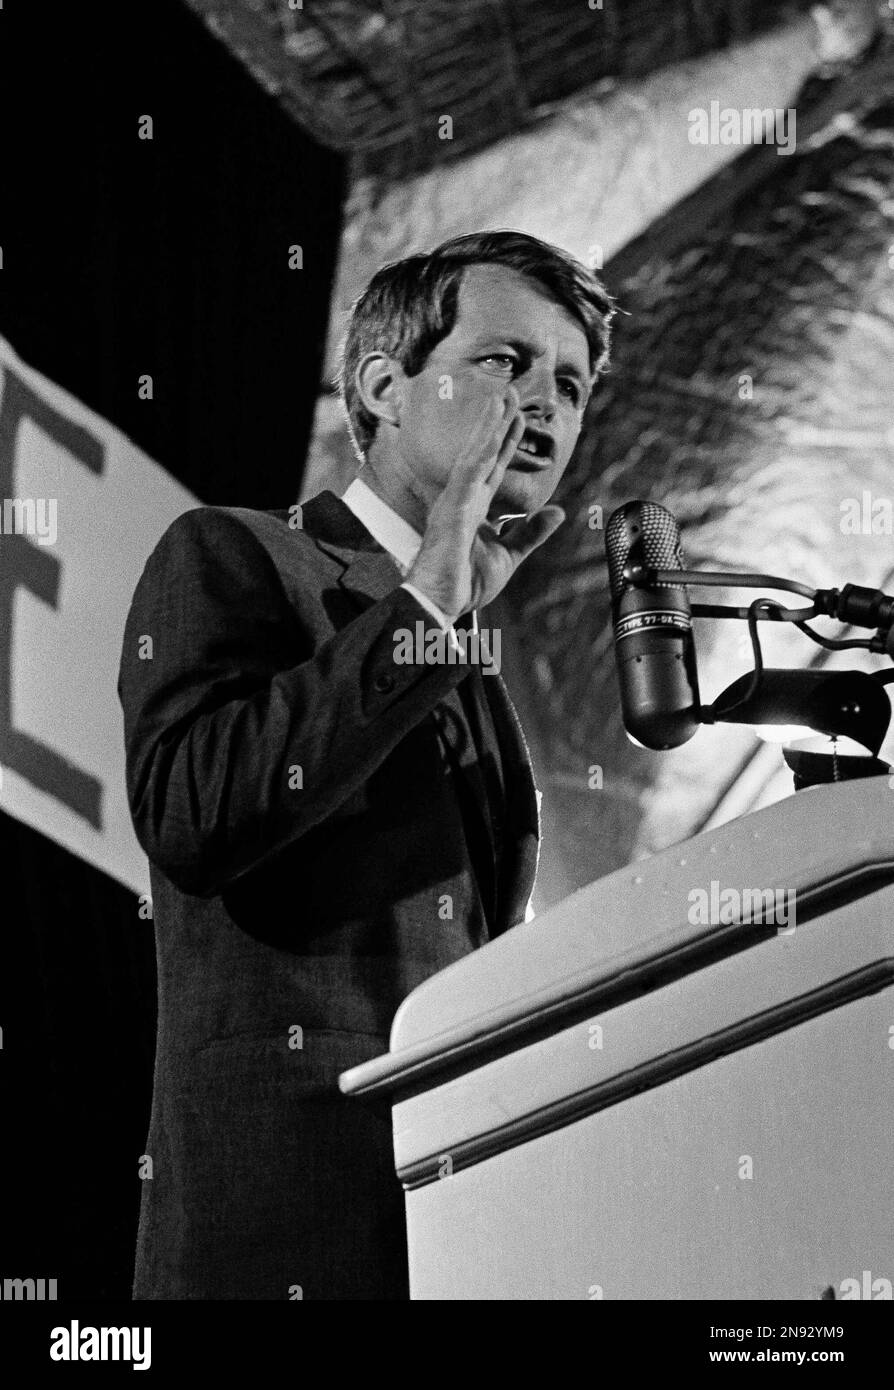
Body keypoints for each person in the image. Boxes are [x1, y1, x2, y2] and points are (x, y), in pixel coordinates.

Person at [118, 229, 613, 1300]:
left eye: (571, 385)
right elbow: (195, 815)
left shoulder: (469, 662)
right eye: (506, 360)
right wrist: (427, 604)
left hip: (455, 1228)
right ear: (387, 385)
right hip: (283, 1225)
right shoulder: (235, 554)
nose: (546, 403)